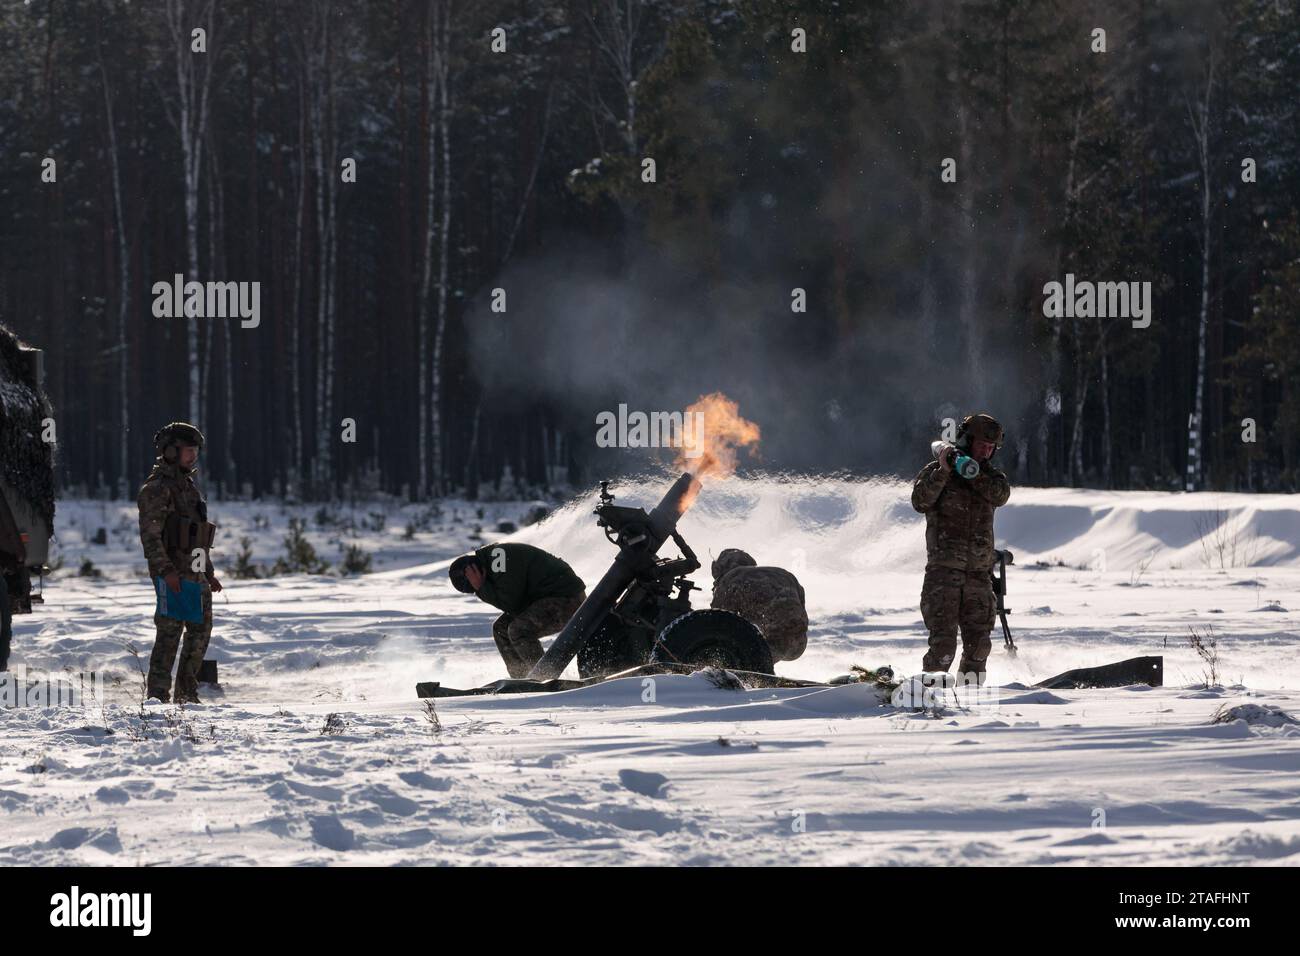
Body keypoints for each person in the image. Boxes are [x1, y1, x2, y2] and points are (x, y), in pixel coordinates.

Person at [910, 413, 1010, 685]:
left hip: (978, 575)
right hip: (944, 574)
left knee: (979, 647)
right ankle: (930, 697)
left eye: (991, 448)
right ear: (967, 440)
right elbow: (920, 501)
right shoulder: (938, 471)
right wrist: (945, 470)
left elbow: (1000, 495)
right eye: (981, 445)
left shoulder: (992, 477)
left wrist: (972, 474)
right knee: (942, 648)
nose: (986, 451)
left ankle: (971, 698)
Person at [138, 422, 222, 703]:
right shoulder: (156, 489)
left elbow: (197, 535)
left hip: (195, 573)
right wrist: (166, 571)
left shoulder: (187, 487)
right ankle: (157, 697)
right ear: (171, 451)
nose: (193, 455)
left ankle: (187, 693)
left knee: (200, 633)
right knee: (170, 634)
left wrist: (208, 573)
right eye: (188, 450)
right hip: (173, 573)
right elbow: (151, 538)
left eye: (195, 450)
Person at [449, 543, 585, 678]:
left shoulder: (498, 561)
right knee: (501, 629)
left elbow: (511, 604)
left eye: (473, 587)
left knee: (519, 630)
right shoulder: (492, 560)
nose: (476, 589)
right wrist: (482, 587)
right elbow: (515, 605)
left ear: (475, 570)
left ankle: (544, 677)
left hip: (568, 599)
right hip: (550, 597)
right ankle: (521, 678)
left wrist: (482, 587)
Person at [709, 548, 808, 662]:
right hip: (799, 644)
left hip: (773, 641)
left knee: (733, 649)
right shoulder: (785, 574)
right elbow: (800, 607)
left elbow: (717, 621)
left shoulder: (730, 578)